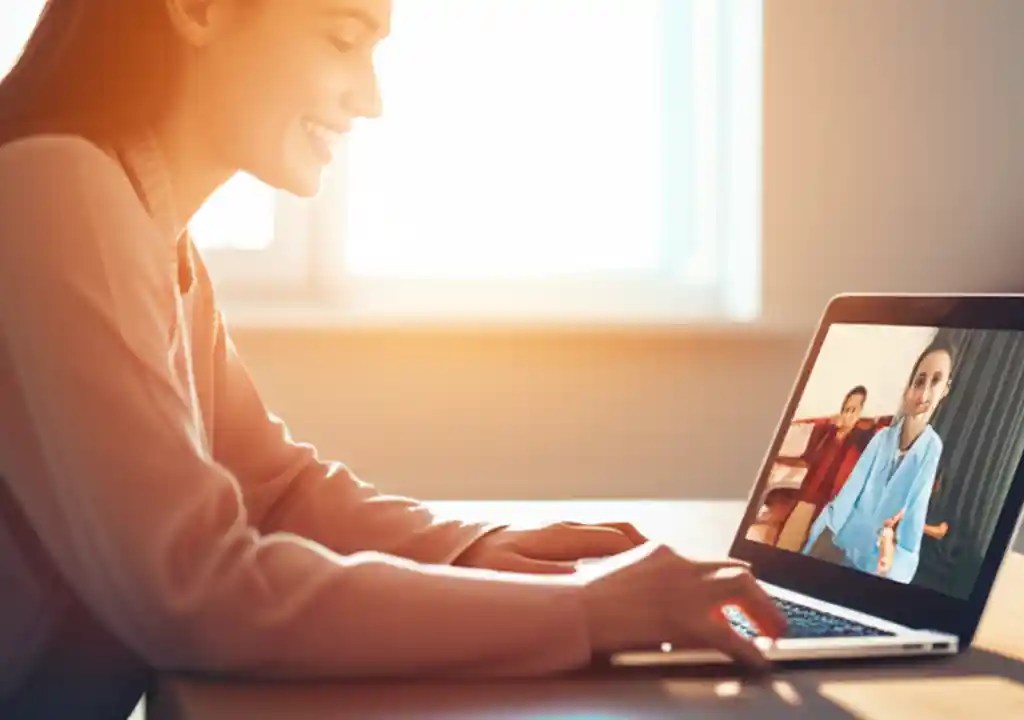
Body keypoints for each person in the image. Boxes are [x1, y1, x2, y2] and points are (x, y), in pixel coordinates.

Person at [0, 2, 785, 717]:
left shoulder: (142, 220)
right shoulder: (57, 188)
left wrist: (468, 547)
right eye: (343, 40)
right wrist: (588, 613)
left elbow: (272, 490)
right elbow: (195, 591)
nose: (368, 97)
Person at [801, 339, 955, 583]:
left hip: (875, 562)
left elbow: (912, 530)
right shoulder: (882, 437)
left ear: (945, 389)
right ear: (909, 388)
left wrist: (892, 562)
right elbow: (849, 494)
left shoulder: (931, 447)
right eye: (919, 381)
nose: (924, 393)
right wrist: (824, 536)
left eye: (935, 381)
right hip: (839, 540)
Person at [772, 386, 874, 551]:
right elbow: (808, 459)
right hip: (809, 497)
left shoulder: (861, 441)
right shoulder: (826, 433)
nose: (848, 415)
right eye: (846, 409)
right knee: (787, 543)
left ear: (860, 413)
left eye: (854, 410)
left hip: (832, 506)